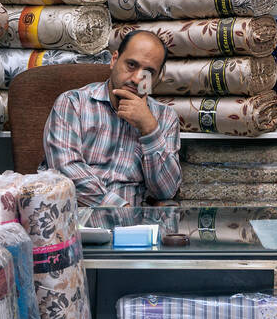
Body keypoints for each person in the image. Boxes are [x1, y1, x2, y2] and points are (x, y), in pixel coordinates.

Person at [42, 29, 182, 207]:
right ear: (114, 60)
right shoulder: (73, 103)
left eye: (148, 72)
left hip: (135, 227)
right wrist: (120, 208)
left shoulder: (165, 117)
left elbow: (166, 191)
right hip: (76, 221)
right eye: (131, 65)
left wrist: (149, 130)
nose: (137, 79)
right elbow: (65, 170)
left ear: (157, 78)